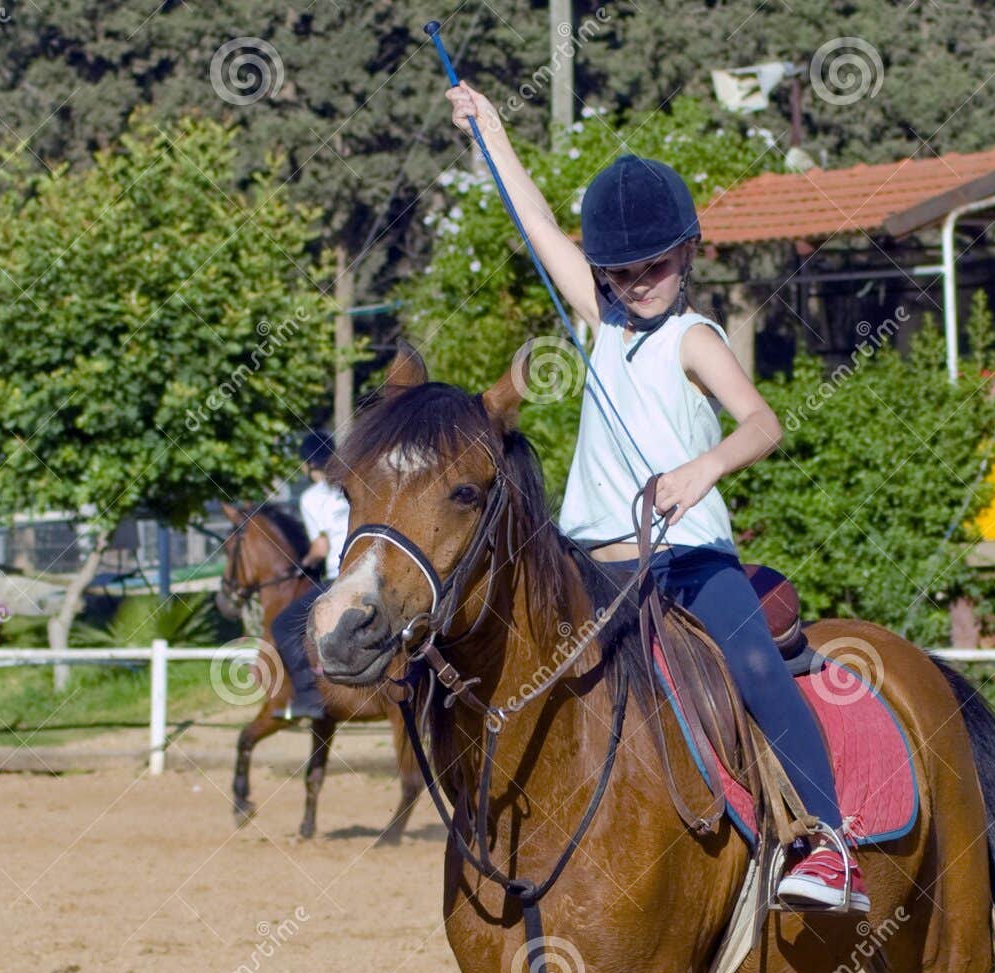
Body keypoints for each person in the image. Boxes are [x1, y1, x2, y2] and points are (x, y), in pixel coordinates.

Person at [446, 85, 867, 913]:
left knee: (755, 666)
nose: (640, 284)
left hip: (689, 564)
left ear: (688, 255)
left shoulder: (692, 338)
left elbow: (763, 423)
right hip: (592, 569)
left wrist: (702, 470)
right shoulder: (599, 323)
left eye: (657, 266)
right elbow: (537, 225)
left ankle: (828, 845)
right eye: (623, 272)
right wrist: (491, 132)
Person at [272, 430, 349, 722]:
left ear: (307, 465)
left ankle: (308, 697)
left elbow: (321, 548)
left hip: (339, 578)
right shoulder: (352, 484)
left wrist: (300, 566)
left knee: (283, 627)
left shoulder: (311, 498)